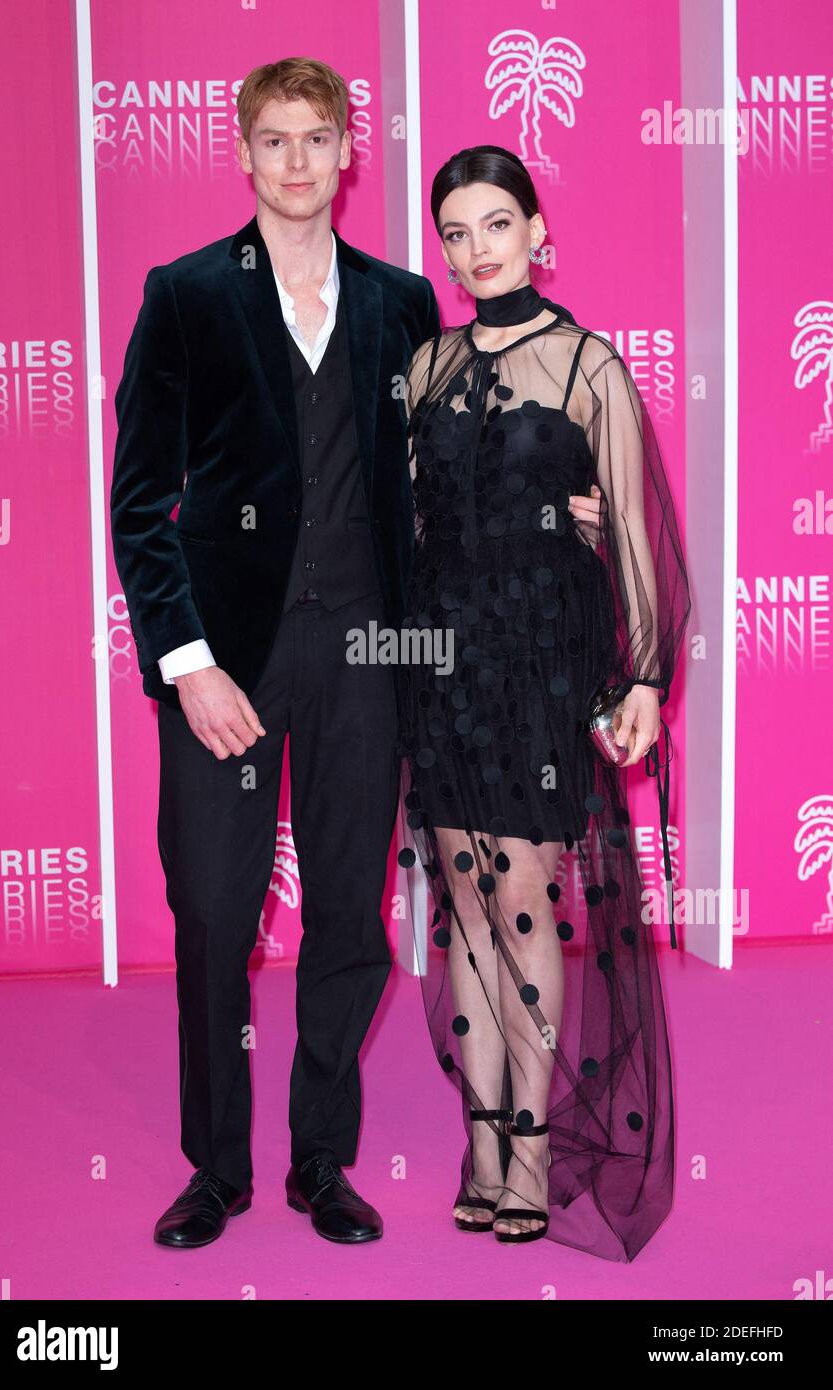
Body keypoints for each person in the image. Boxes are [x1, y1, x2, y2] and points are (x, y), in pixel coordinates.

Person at [109, 57, 443, 1248]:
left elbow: (431, 490)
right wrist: (188, 664)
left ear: (349, 149)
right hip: (229, 667)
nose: (297, 162)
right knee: (211, 911)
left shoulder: (403, 304)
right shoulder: (188, 294)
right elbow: (139, 501)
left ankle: (319, 1159)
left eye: (317, 139)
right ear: (242, 154)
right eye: (274, 141)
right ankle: (217, 1168)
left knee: (350, 913)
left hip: (365, 654)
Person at [397, 145, 691, 1260]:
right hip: (442, 663)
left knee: (523, 901)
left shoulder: (585, 366)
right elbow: (410, 525)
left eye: (494, 225)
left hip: (541, 661)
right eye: (456, 234)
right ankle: (481, 1148)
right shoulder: (422, 369)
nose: (476, 251)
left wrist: (647, 678)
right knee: (464, 909)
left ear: (535, 231)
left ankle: (528, 1153)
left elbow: (634, 532)